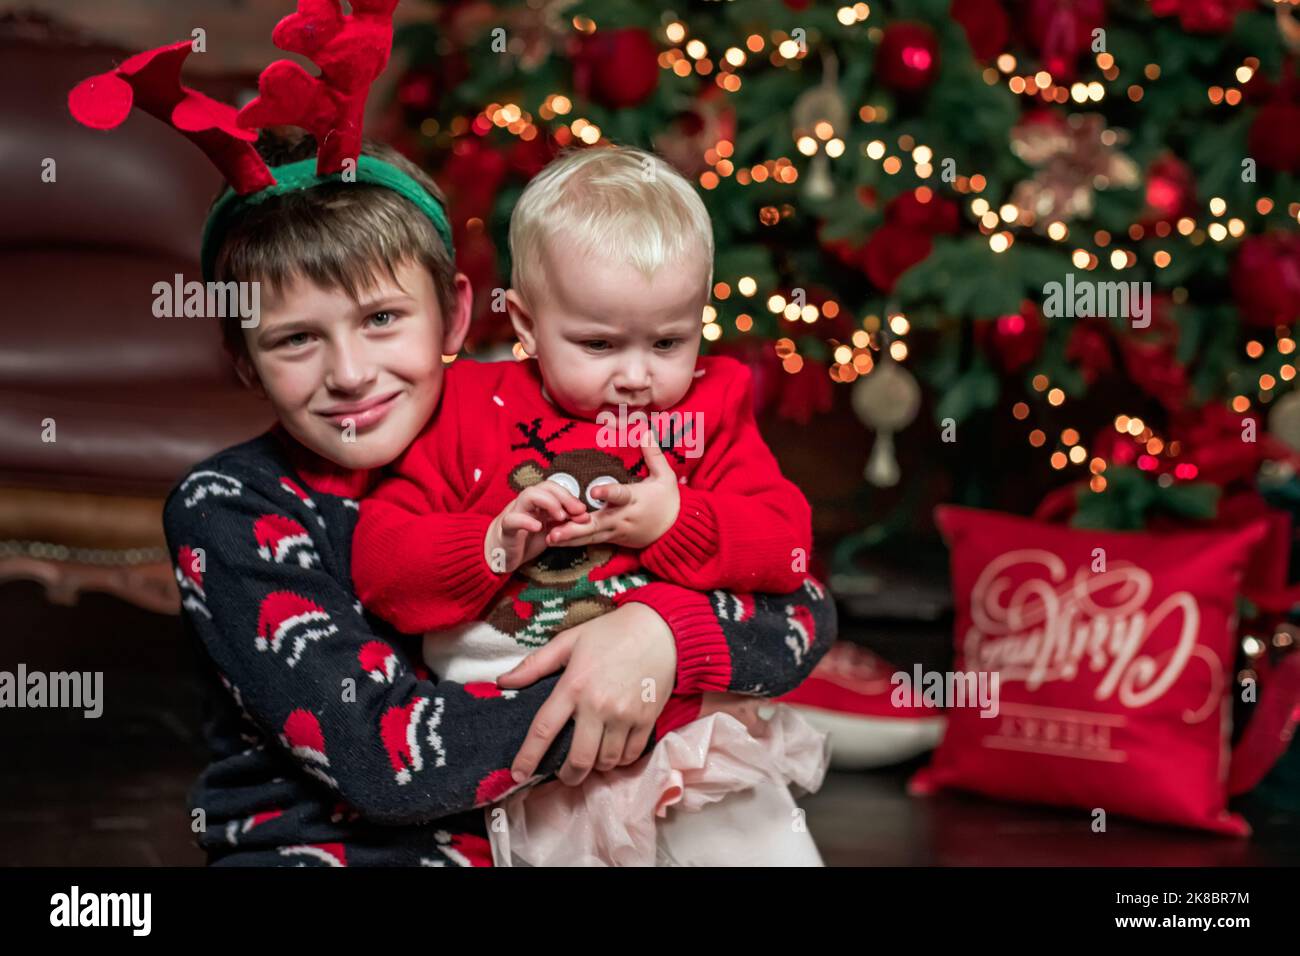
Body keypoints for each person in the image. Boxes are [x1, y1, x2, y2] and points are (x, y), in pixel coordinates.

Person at [161, 133, 837, 865]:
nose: (351, 373)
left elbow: (802, 606)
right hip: (332, 849)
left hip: (550, 824)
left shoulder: (537, 422)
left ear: (454, 315)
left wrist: (661, 636)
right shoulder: (229, 506)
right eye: (296, 339)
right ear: (244, 360)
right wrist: (644, 693)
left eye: (381, 318)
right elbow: (387, 764)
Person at [352, 145, 831, 865]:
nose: (636, 375)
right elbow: (382, 566)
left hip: (685, 739)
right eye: (598, 343)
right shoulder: (465, 414)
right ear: (523, 322)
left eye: (669, 340)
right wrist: (490, 544)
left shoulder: (709, 409)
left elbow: (786, 545)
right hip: (531, 756)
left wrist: (681, 524)